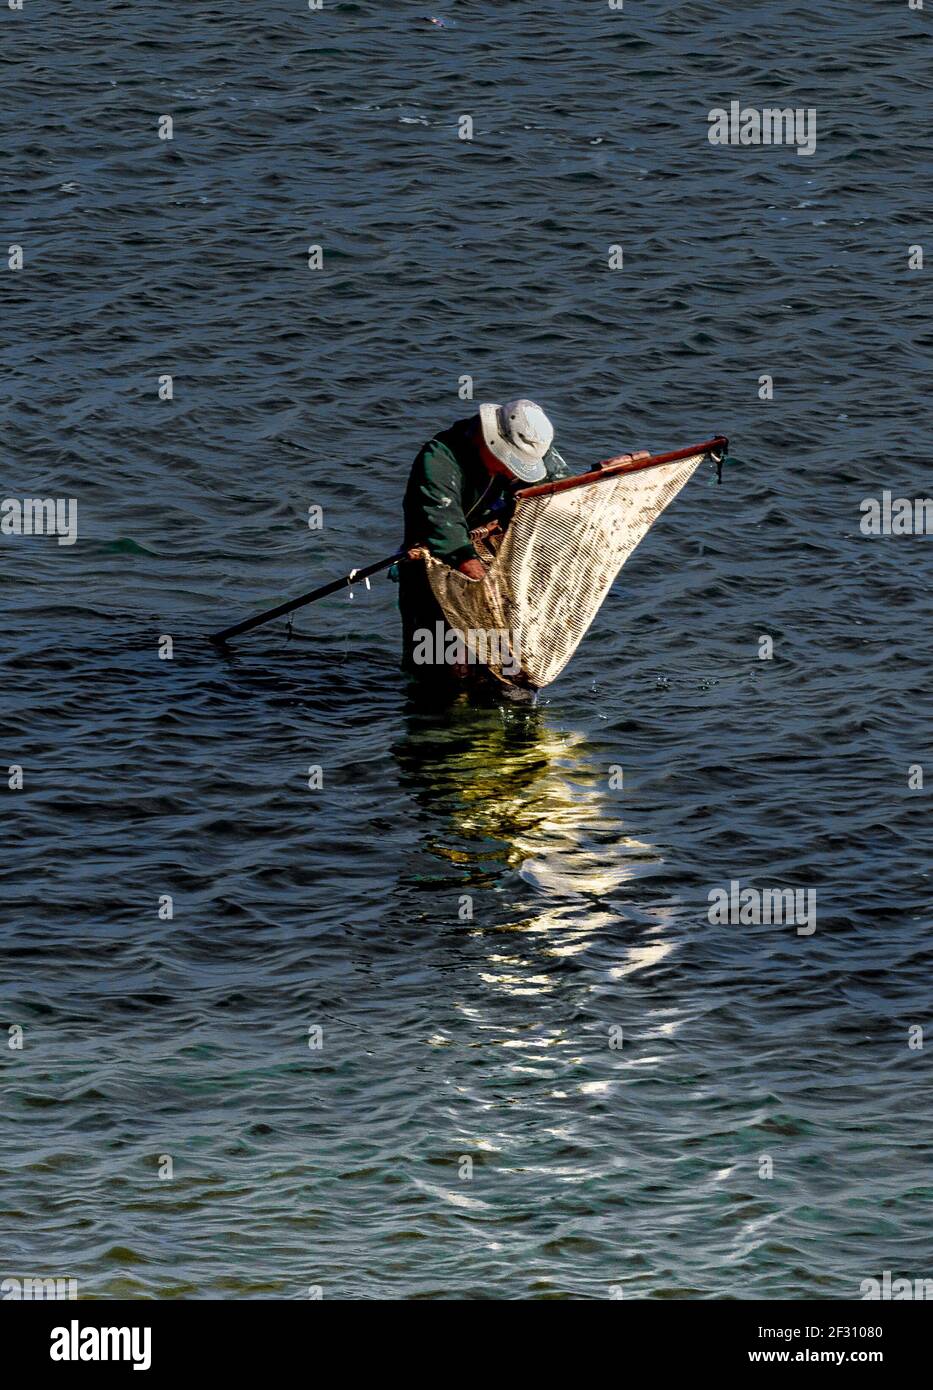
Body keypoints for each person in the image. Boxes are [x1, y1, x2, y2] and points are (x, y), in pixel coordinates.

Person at [398, 400, 570, 677]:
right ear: (489, 440)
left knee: (502, 666)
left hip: (491, 560)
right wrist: (492, 596)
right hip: (435, 573)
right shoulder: (439, 460)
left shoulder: (530, 440)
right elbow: (449, 536)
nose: (512, 473)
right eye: (508, 462)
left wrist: (598, 476)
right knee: (436, 668)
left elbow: (558, 492)